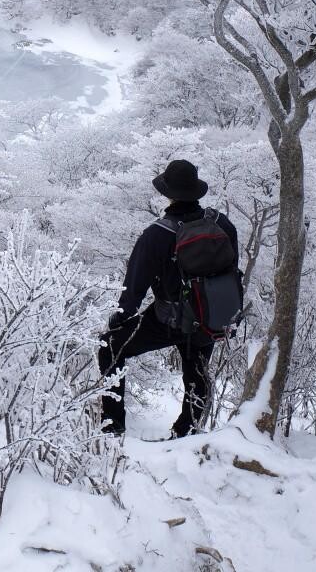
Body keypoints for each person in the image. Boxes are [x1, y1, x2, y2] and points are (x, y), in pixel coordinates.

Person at [99, 158, 239, 439]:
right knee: (197, 376)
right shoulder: (222, 223)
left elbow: (133, 290)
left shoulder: (156, 235)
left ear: (168, 194)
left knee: (111, 347)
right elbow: (232, 269)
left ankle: (113, 426)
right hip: (209, 317)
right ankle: (185, 434)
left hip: (167, 320)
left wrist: (119, 318)